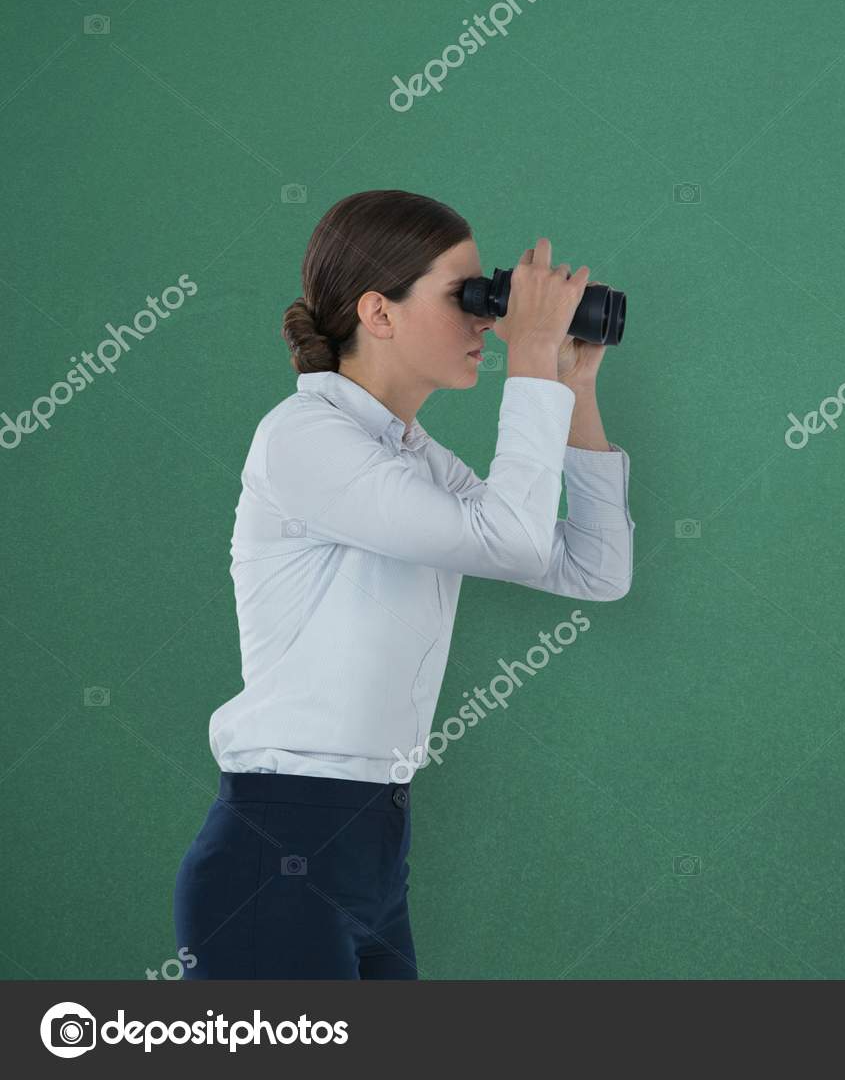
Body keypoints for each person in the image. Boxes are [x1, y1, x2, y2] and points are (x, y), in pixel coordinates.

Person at [172, 189, 634, 978]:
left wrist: (571, 383)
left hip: (374, 849)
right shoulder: (304, 439)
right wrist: (528, 365)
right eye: (468, 297)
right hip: (281, 849)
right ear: (378, 314)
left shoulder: (410, 456)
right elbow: (514, 542)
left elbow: (596, 568)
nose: (489, 320)